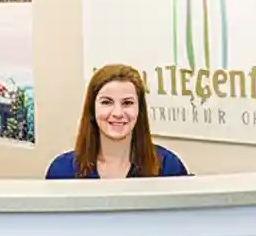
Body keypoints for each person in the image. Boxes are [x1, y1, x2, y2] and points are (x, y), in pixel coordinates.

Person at [46, 64, 190, 179]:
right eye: (106, 102)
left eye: (127, 103)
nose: (118, 113)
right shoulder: (62, 170)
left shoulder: (169, 168)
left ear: (140, 110)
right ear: (92, 108)